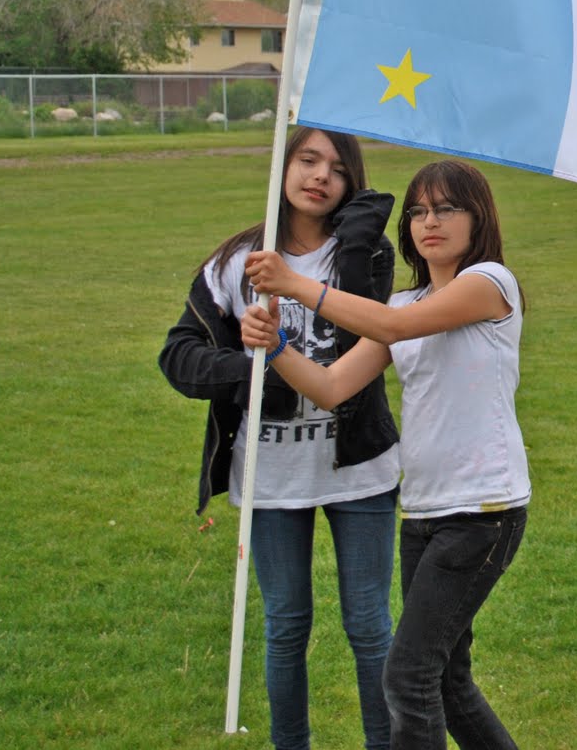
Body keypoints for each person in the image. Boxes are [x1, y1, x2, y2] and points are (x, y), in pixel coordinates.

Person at [240, 158, 528, 750]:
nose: (430, 222)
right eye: (419, 210)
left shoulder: (490, 284)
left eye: (448, 209)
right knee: (446, 680)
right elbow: (332, 387)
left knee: (408, 675)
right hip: (422, 512)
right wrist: (275, 348)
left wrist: (294, 283)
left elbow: (396, 330)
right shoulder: (402, 304)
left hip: (483, 511)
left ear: (478, 219)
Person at [158, 127, 400, 750]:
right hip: (270, 471)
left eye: (336, 167)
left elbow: (371, 347)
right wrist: (251, 368)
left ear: (351, 179)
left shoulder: (366, 254)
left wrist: (296, 350)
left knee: (369, 624)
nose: (320, 176)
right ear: (283, 165)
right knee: (286, 624)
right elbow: (178, 357)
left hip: (359, 466)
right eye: (307, 159)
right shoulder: (237, 263)